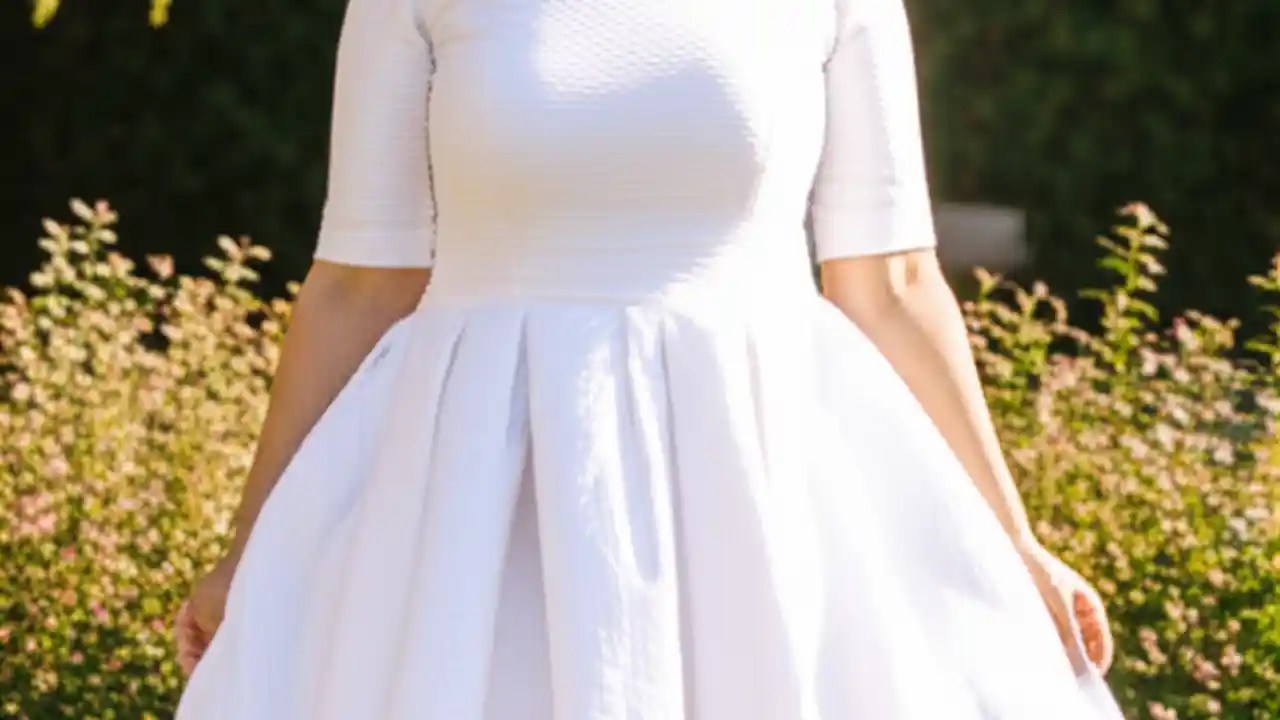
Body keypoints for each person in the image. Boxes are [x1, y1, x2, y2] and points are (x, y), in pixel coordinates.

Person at [172, 0, 1123, 716]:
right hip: (471, 505)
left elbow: (894, 282)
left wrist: (1016, 540)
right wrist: (245, 551)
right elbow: (357, 285)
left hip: (765, 487)